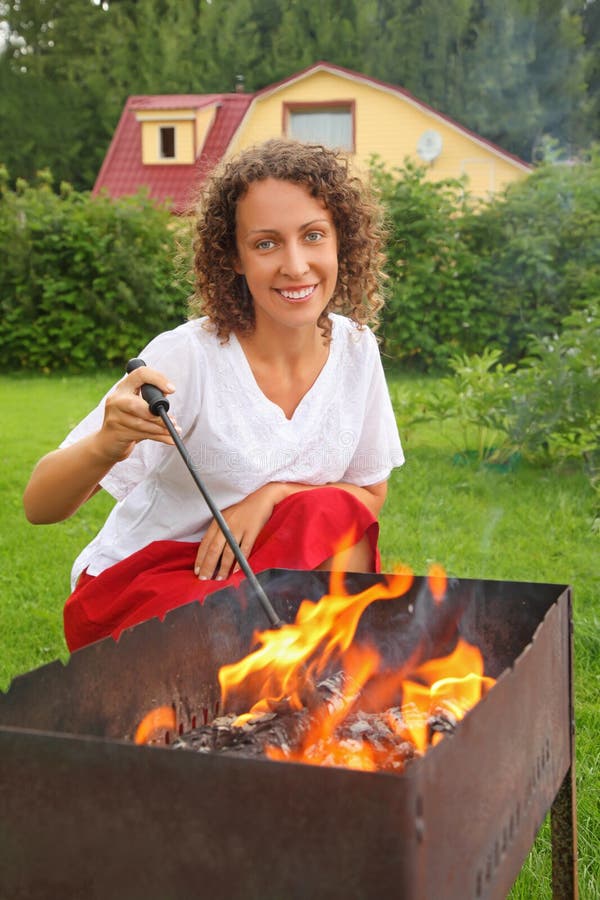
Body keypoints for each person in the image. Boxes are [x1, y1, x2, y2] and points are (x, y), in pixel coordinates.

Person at [23, 138, 404, 652]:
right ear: (234, 258)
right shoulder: (189, 357)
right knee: (229, 641)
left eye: (313, 236)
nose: (295, 265)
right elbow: (39, 505)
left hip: (254, 581)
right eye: (266, 244)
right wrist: (106, 444)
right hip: (154, 583)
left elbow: (367, 500)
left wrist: (269, 499)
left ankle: (318, 674)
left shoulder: (356, 349)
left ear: (342, 242)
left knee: (332, 513)